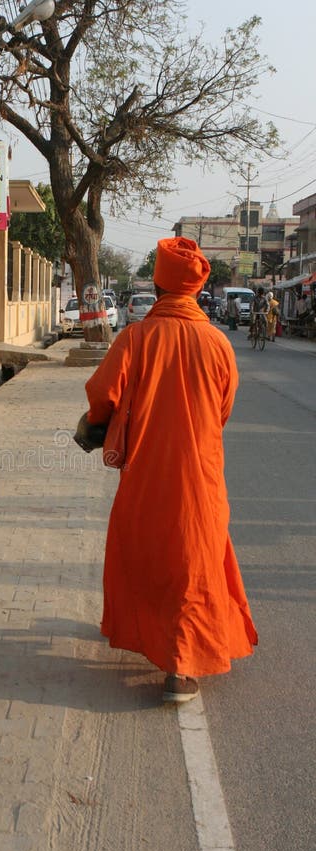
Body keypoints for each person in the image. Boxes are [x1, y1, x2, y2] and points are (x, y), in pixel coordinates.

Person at [84, 237, 258, 703]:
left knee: (145, 551)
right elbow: (223, 410)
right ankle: (181, 668)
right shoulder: (219, 344)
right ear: (197, 289)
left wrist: (101, 423)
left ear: (158, 284)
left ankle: (168, 652)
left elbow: (102, 395)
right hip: (200, 474)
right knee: (193, 560)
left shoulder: (136, 338)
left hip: (144, 473)